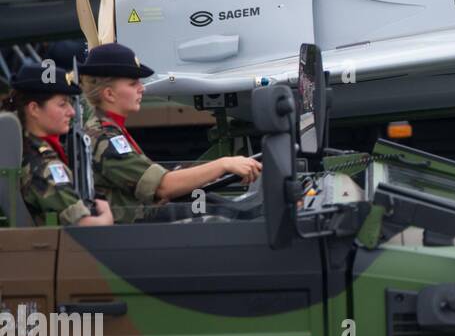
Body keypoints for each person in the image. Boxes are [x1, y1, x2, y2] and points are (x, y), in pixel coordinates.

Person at [77, 43, 262, 223]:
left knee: (222, 205)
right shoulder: (104, 136)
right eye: (133, 83)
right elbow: (163, 187)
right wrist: (224, 164)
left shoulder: (109, 129)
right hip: (134, 231)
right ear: (109, 94)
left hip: (140, 224)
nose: (141, 88)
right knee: (223, 217)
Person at [2, 63, 114, 226]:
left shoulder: (22, 149)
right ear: (34, 109)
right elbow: (84, 225)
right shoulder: (44, 166)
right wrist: (106, 215)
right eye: (62, 104)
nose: (72, 111)